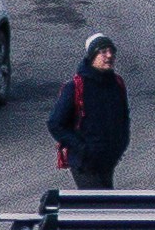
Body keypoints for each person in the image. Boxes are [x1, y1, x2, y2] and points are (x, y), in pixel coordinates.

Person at [49, 33, 131, 189]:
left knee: (105, 206)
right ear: (93, 55)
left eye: (111, 51)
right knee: (98, 208)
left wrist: (120, 144)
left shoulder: (117, 83)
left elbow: (123, 118)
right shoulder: (75, 87)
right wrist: (83, 149)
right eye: (103, 51)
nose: (109, 55)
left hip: (107, 161)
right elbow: (55, 123)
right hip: (85, 165)